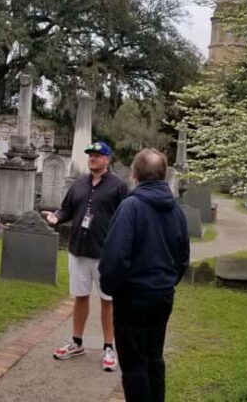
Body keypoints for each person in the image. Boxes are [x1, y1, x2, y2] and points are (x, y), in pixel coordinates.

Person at [98, 148, 190, 402]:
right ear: (162, 175)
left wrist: (112, 287)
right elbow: (183, 258)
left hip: (133, 297)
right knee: (154, 357)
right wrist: (167, 283)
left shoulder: (131, 207)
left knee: (135, 363)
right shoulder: (177, 211)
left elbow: (115, 256)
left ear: (135, 174)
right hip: (162, 296)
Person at [42, 141, 128, 372]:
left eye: (98, 155)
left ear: (107, 160)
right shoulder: (79, 185)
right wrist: (56, 217)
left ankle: (109, 347)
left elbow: (126, 218)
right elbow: (67, 209)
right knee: (80, 297)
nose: (93, 158)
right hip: (78, 250)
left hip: (105, 254)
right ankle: (76, 342)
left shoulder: (118, 187)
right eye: (90, 155)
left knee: (107, 300)